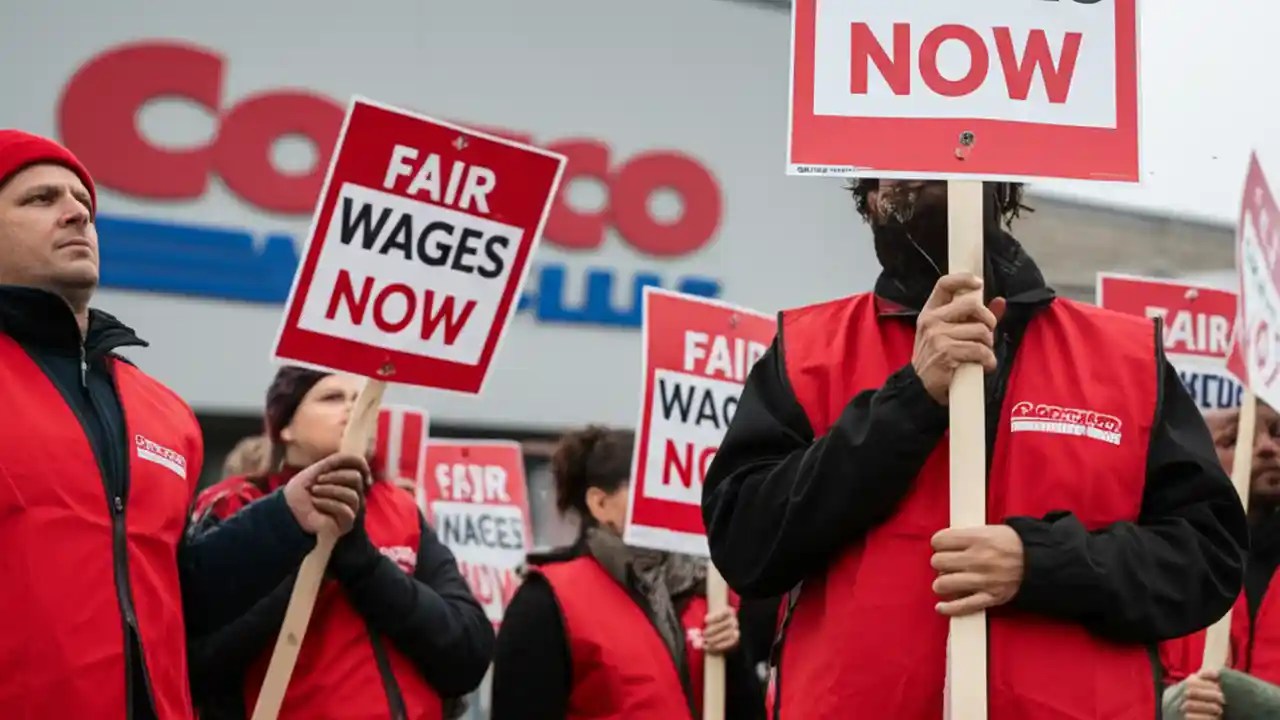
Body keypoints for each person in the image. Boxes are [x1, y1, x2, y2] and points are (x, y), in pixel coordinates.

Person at [701, 178, 1250, 720]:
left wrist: (1041, 563)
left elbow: (1208, 556)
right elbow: (746, 543)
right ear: (868, 197)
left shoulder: (1125, 358)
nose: (929, 172)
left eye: (951, 156)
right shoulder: (808, 352)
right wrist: (910, 400)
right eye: (901, 167)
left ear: (1001, 186)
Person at [0, 129, 369, 719]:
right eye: (40, 200)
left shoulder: (165, 413)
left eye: (83, 204)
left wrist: (285, 518)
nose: (76, 213)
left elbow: (175, 594)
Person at [188, 366, 493, 720]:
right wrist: (302, 552)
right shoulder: (236, 504)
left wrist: (364, 566)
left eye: (363, 398)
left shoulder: (401, 509)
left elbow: (468, 653)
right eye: (332, 398)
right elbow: (195, 660)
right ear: (284, 427)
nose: (355, 408)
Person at [491, 426, 765, 720]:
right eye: (647, 485)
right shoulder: (547, 600)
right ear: (599, 503)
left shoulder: (711, 597)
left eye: (667, 483)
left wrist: (733, 657)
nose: (662, 497)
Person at [1160, 401, 1280, 719]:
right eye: (1235, 439)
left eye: (1278, 434)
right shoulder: (1160, 569)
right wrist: (1166, 707)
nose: (1267, 448)